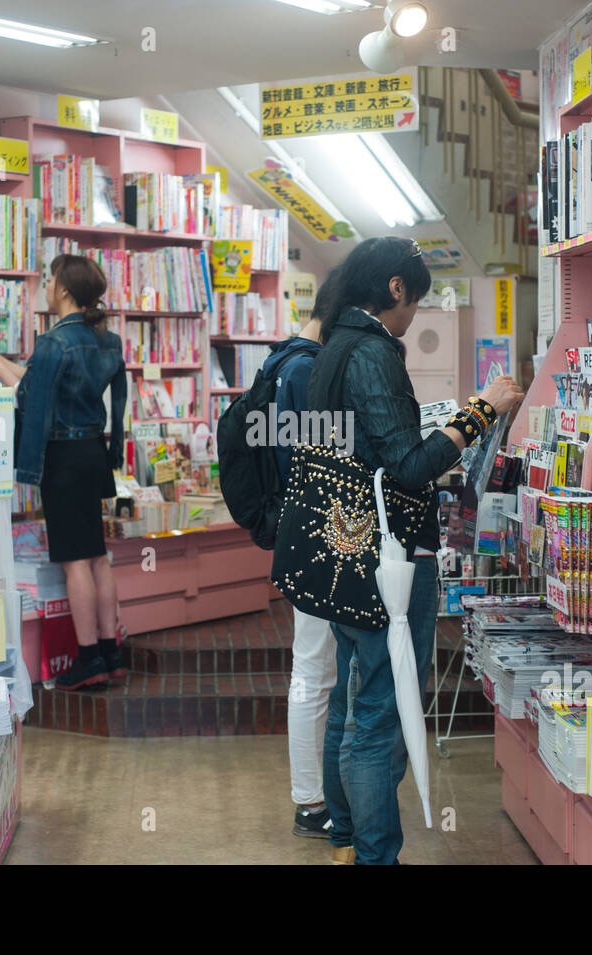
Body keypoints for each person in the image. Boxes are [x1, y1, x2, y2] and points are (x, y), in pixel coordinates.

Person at [301, 237, 523, 865]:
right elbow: (407, 464)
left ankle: (346, 836)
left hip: (344, 548)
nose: (414, 315)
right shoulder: (371, 352)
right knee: (378, 712)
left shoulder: (332, 346)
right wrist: (481, 411)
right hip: (388, 558)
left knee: (353, 699)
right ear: (396, 288)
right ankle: (376, 855)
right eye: (416, 299)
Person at [0, 254, 128, 690]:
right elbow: (34, 385)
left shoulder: (52, 343)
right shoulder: (107, 340)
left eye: (49, 279)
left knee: (74, 561)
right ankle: (110, 652)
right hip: (93, 454)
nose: (45, 285)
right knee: (97, 556)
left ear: (63, 288)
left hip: (62, 461)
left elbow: (28, 399)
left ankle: (87, 660)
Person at [257, 269, 340, 839]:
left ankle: (313, 796)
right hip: (316, 535)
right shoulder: (309, 368)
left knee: (313, 666)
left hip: (298, 532)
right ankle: (311, 800)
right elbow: (309, 464)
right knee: (314, 667)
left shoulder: (280, 359)